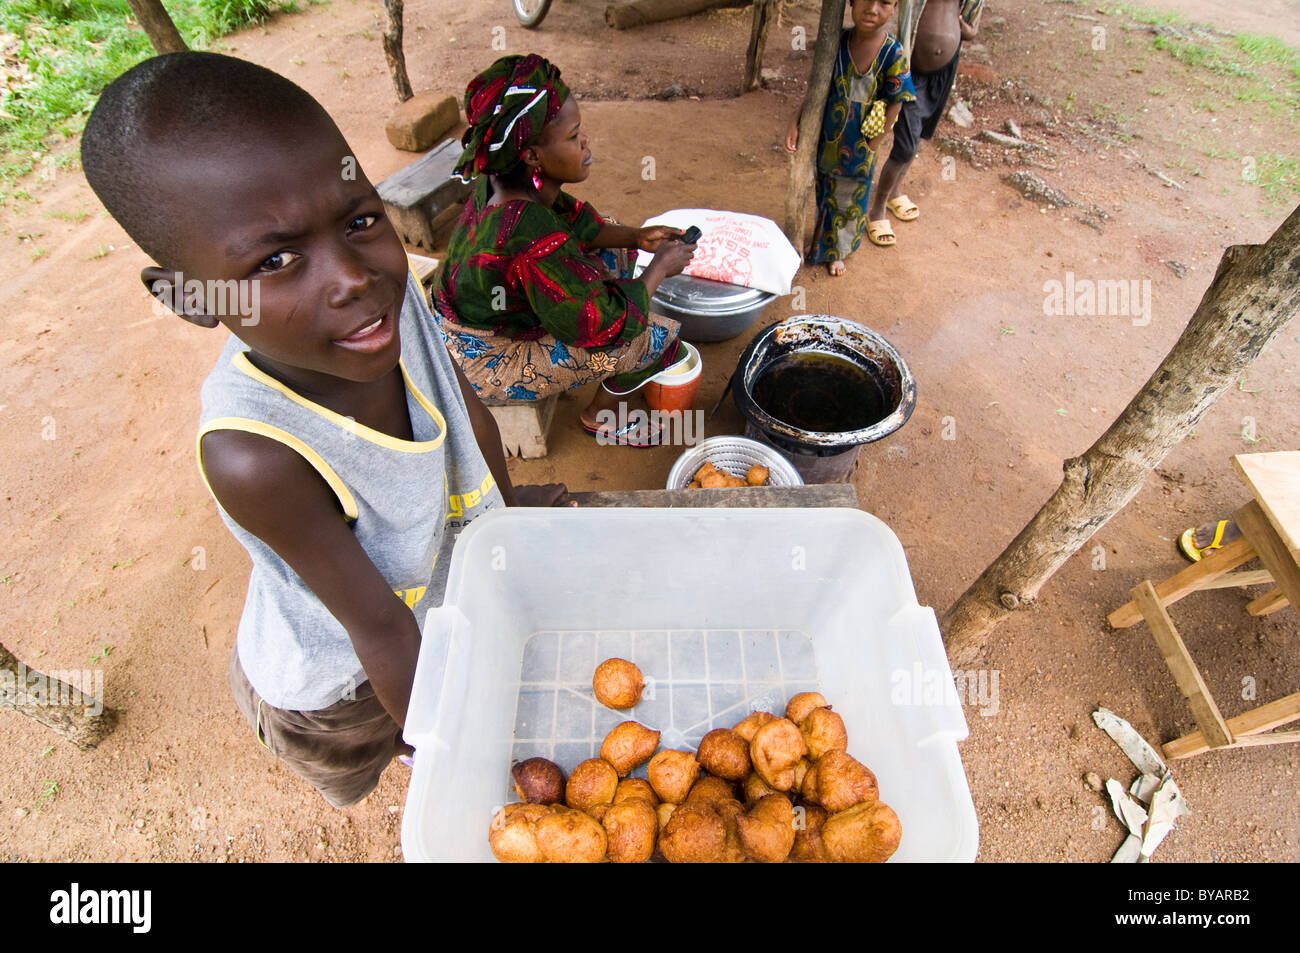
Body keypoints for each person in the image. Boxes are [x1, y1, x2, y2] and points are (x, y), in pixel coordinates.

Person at [80, 52, 563, 808]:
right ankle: (396, 748)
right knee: (377, 760)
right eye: (276, 259)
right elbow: (378, 630)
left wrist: (505, 541)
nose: (350, 274)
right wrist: (457, 758)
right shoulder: (253, 454)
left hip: (420, 619)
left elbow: (466, 412)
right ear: (188, 295)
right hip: (336, 688)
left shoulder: (379, 299)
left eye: (360, 219)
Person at [433, 54, 697, 447]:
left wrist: (637, 238)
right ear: (533, 156)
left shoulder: (504, 181)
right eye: (574, 137)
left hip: (467, 321)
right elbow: (602, 325)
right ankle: (600, 419)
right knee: (650, 337)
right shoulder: (529, 233)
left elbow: (577, 221)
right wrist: (659, 269)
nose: (586, 142)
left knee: (610, 252)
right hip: (485, 359)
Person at [784, 0, 916, 275]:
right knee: (826, 193)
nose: (872, 9)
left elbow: (897, 101)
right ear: (851, 2)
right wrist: (797, 120)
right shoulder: (837, 41)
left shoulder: (893, 52)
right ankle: (822, 244)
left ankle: (838, 252)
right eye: (865, 0)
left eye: (884, 3)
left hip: (860, 146)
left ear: (894, 8)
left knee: (851, 200)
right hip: (828, 141)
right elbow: (818, 86)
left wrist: (875, 142)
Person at [867, 0, 984, 246]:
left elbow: (972, 29)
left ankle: (894, 192)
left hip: (944, 71)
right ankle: (877, 209)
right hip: (910, 68)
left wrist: (963, 27)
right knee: (906, 146)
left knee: (919, 137)